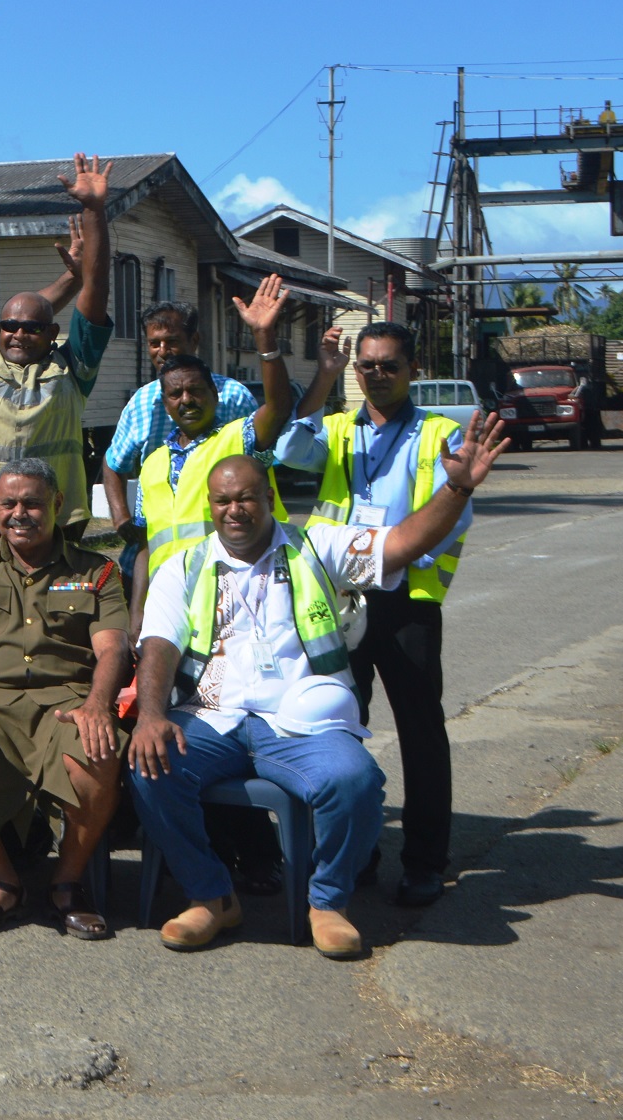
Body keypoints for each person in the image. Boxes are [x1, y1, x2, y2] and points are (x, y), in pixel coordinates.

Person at [127, 420, 505, 958]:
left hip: (298, 721)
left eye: (247, 498)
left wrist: (458, 488)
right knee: (149, 766)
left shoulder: (316, 545)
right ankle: (210, 895)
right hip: (212, 717)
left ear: (270, 497)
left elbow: (400, 545)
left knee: (353, 779)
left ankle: (327, 902)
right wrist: (150, 715)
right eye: (222, 501)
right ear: (211, 506)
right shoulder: (184, 565)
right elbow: (159, 643)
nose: (234, 510)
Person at [274, 321, 471, 908]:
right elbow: (287, 450)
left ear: (412, 369)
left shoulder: (439, 434)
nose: (377, 376)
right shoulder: (334, 428)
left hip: (404, 599)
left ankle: (425, 863)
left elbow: (448, 516)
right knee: (336, 727)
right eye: (367, 367)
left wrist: (386, 558)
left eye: (389, 365)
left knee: (421, 735)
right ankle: (355, 854)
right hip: (336, 599)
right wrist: (325, 376)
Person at [0, 458, 129, 940]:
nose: (19, 513)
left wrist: (98, 704)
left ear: (56, 504)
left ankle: (67, 884)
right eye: (8, 504)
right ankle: (3, 881)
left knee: (98, 755)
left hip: (67, 705)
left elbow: (113, 646)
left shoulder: (97, 570)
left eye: (32, 503)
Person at [0, 144, 115, 539]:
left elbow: (97, 291)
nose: (18, 333)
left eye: (31, 327)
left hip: (56, 522)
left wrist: (94, 211)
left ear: (52, 333)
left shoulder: (72, 369)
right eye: (9, 325)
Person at [134, 276, 299, 607]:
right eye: (176, 394)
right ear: (165, 403)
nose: (186, 400)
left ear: (214, 395)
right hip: (169, 601)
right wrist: (138, 610)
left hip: (234, 594)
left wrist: (264, 336)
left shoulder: (238, 439)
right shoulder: (152, 464)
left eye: (195, 391)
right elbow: (145, 545)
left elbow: (279, 406)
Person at [100, 301, 258, 563]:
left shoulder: (233, 396)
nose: (162, 351)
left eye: (171, 341)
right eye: (154, 343)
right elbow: (113, 461)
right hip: (160, 550)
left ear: (194, 340)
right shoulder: (142, 402)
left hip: (229, 545)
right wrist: (121, 518)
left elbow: (261, 458)